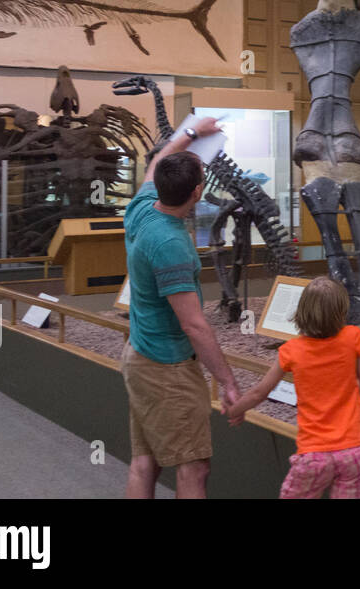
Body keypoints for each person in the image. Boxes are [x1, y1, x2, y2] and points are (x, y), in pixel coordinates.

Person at [121, 117, 240, 499]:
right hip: (167, 368)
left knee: (147, 461)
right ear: (198, 192)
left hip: (141, 355)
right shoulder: (170, 243)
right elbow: (194, 325)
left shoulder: (141, 209)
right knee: (193, 468)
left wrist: (189, 133)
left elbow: (155, 165)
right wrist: (227, 380)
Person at [225, 277, 360, 499]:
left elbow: (259, 392)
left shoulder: (291, 350)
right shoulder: (355, 337)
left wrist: (235, 410)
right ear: (342, 311)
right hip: (352, 451)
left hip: (314, 454)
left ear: (302, 311)